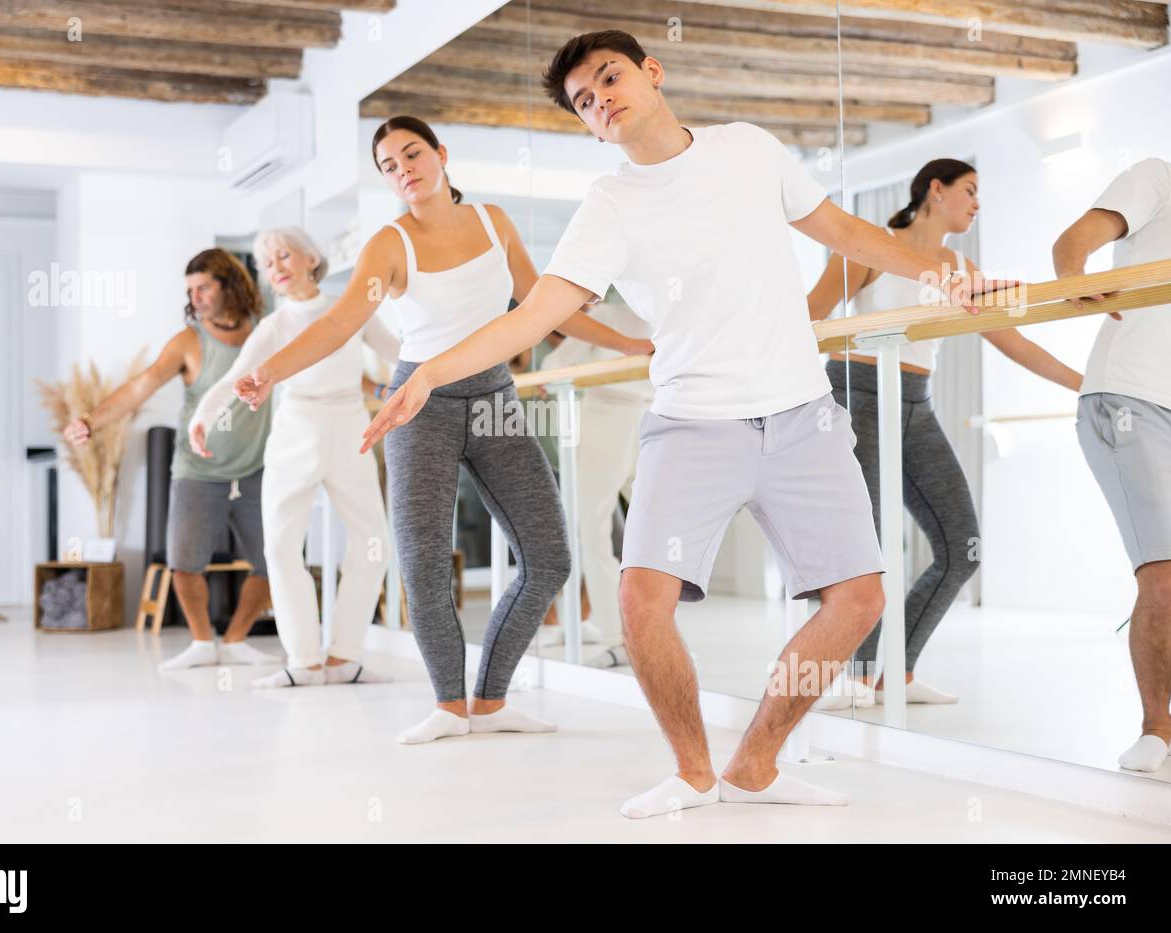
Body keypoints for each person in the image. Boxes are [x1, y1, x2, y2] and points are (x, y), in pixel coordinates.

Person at [361, 30, 1001, 818]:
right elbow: (534, 314)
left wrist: (941, 272)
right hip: (692, 421)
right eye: (585, 103)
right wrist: (427, 371)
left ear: (651, 72)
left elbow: (841, 232)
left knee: (860, 599)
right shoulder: (609, 206)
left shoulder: (749, 149)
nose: (602, 101)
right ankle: (695, 771)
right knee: (639, 602)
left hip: (803, 414)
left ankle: (756, 763)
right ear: (588, 126)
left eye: (610, 79)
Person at [230, 116, 653, 744]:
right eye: (390, 166)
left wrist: (627, 344)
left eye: (412, 154)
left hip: (495, 401)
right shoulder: (390, 244)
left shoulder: (493, 223)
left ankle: (490, 699)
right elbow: (343, 321)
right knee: (424, 564)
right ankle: (449, 705)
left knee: (548, 558)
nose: (404, 170)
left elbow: (542, 305)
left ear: (441, 154)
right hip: (417, 404)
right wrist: (268, 371)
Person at [808, 159, 1082, 708]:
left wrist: (1089, 383)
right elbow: (809, 317)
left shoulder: (961, 266)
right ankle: (857, 674)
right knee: (870, 549)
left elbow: (1012, 340)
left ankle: (894, 674)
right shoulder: (869, 246)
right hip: (857, 394)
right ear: (936, 189)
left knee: (962, 548)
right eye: (970, 191)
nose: (977, 204)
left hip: (916, 404)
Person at [190, 227, 397, 688]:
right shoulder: (274, 326)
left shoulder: (350, 307)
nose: (275, 267)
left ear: (309, 257)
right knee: (281, 547)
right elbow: (236, 377)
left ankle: (345, 657)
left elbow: (401, 353)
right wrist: (202, 417)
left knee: (372, 542)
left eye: (283, 255)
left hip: (349, 428)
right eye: (267, 263)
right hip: (295, 431)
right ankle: (304, 661)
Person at [63, 249, 275, 671]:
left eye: (203, 287)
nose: (195, 298)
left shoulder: (265, 330)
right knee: (184, 562)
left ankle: (233, 641)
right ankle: (201, 642)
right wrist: (91, 420)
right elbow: (141, 387)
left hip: (256, 468)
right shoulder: (189, 341)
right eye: (190, 291)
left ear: (228, 284)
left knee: (275, 563)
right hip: (198, 471)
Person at [1054, 157, 1171, 773]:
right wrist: (1073, 277)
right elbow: (1072, 241)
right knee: (1165, 579)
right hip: (1130, 397)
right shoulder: (1159, 177)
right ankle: (1157, 729)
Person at [536, 295, 654, 664]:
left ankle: (618, 634)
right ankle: (628, 632)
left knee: (595, 532)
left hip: (622, 421)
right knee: (646, 535)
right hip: (639, 421)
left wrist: (552, 381)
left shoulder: (608, 314)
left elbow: (553, 364)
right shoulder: (658, 311)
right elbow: (554, 364)